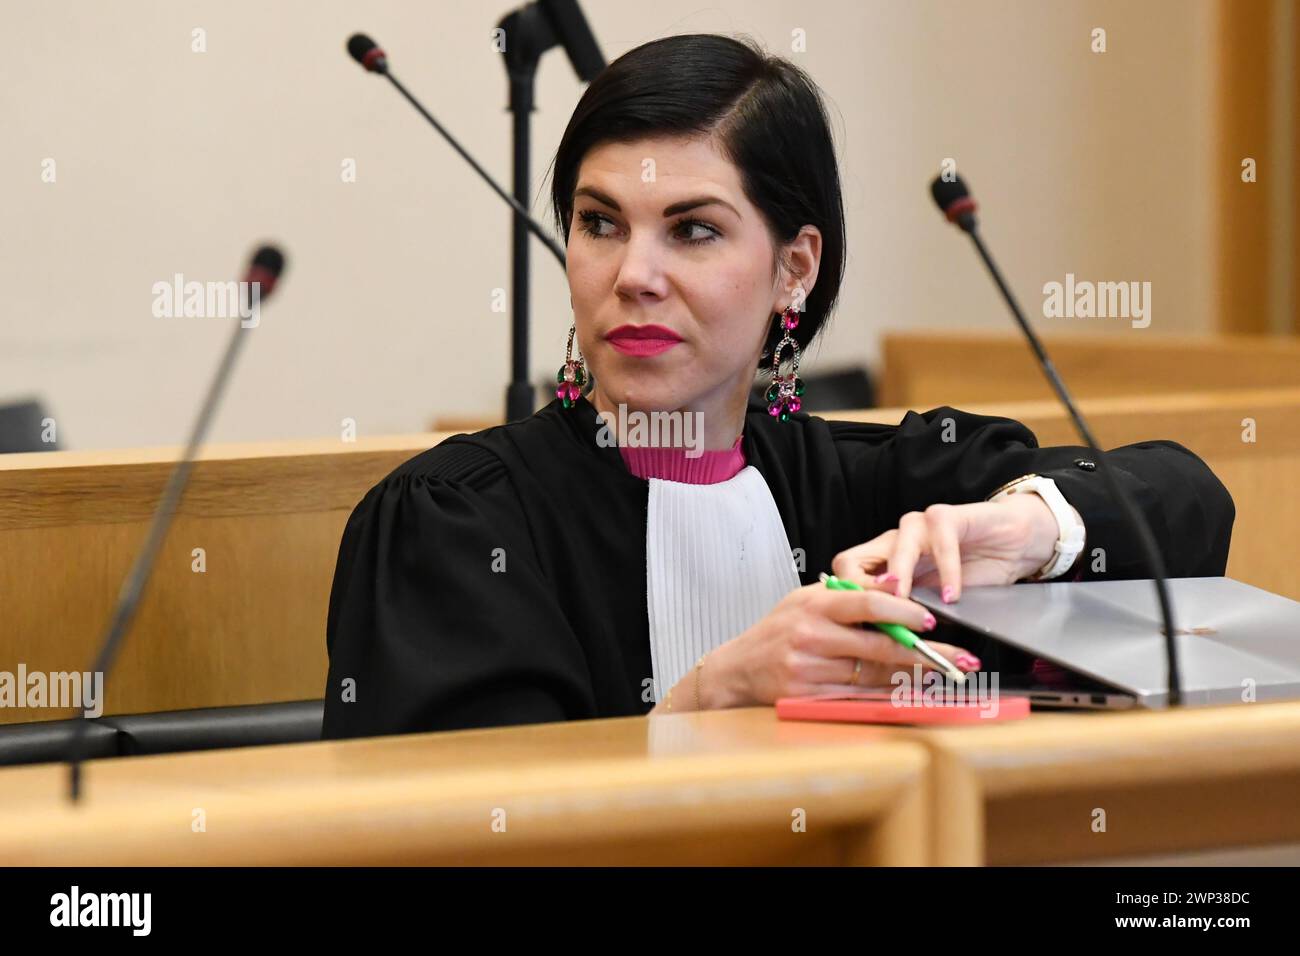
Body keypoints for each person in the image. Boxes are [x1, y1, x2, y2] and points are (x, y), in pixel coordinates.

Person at [321, 34, 1233, 740]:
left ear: (793, 268)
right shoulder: (453, 524)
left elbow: (1189, 500)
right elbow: (462, 833)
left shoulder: (859, 484)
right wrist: (710, 696)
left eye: (692, 231)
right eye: (601, 223)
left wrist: (1025, 530)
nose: (634, 274)